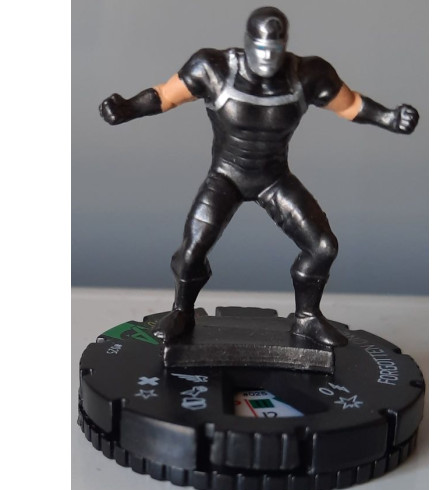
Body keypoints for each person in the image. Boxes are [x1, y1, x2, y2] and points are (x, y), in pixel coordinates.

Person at [99, 6, 419, 349]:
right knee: (192, 251)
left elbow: (350, 104)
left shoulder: (307, 75)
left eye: (275, 49)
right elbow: (165, 95)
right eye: (262, 49)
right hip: (226, 176)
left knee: (323, 247)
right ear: (248, 43)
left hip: (273, 179)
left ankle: (308, 318)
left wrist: (388, 118)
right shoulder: (214, 68)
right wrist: (128, 108)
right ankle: (182, 311)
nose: (268, 57)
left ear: (285, 45)